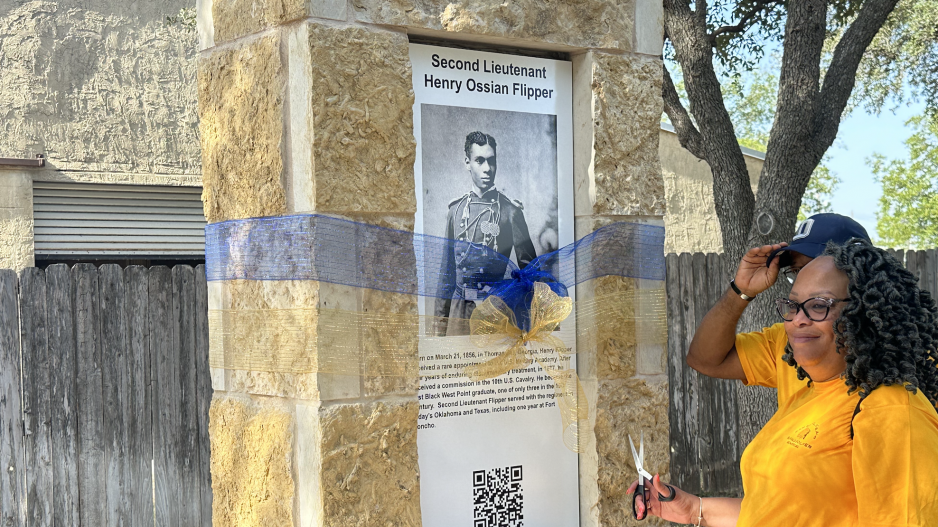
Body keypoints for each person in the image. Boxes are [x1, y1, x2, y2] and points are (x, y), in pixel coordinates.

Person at [631, 240, 938, 525]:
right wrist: (696, 509)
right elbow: (783, 509)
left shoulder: (891, 410)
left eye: (819, 305)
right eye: (793, 306)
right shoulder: (809, 395)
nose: (797, 320)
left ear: (867, 315)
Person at [434, 131, 537, 333]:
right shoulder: (455, 211)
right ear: (467, 163)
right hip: (459, 315)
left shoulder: (510, 212)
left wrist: (527, 323)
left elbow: (530, 275)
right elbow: (446, 274)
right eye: (479, 161)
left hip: (496, 315)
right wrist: (439, 326)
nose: (487, 169)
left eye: (491, 161)